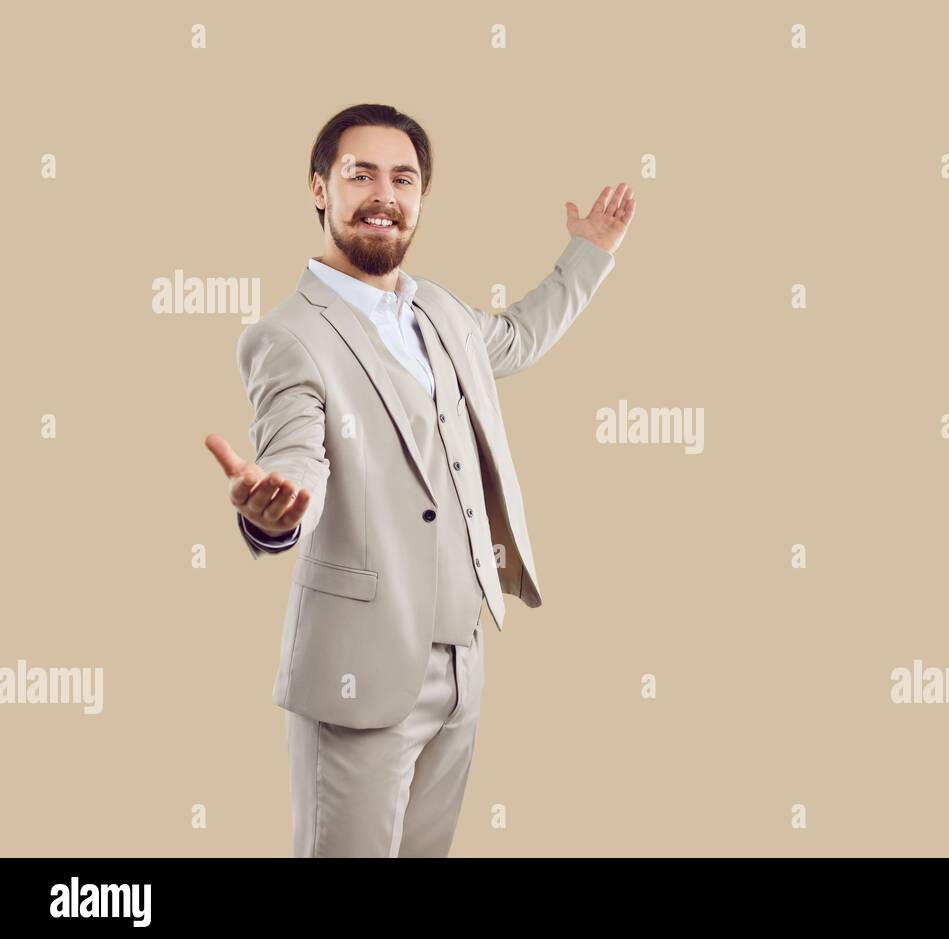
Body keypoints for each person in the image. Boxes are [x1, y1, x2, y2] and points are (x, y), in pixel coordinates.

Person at [203, 103, 633, 856]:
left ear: (421, 197)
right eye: (360, 174)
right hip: (359, 670)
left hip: (462, 663)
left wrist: (588, 253)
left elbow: (517, 337)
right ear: (319, 188)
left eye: (403, 178)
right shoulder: (286, 336)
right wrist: (273, 513)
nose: (384, 195)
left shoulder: (436, 308)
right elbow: (296, 454)